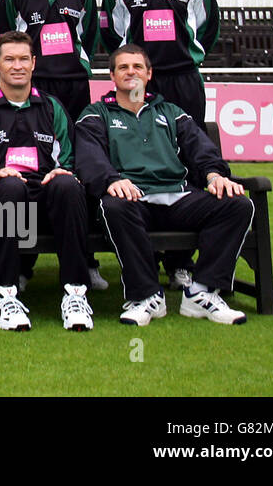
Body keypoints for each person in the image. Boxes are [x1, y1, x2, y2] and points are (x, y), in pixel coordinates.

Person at [75, 45, 253, 326]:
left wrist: (214, 175)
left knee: (237, 204)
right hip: (133, 198)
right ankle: (146, 296)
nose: (130, 72)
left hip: (178, 197)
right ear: (111, 75)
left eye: (137, 67)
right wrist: (112, 180)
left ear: (149, 73)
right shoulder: (96, 114)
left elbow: (199, 148)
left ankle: (201, 292)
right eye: (123, 67)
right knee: (114, 207)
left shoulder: (171, 112)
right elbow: (89, 158)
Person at [0, 0, 108, 292]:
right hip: (33, 90)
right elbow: (6, 37)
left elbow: (90, 36)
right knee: (25, 170)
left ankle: (84, 260)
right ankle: (22, 264)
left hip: (73, 87)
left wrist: (77, 64)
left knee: (74, 170)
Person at [0, 32, 93, 331]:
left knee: (68, 185)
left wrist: (62, 171)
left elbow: (70, 158)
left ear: (34, 63)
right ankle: (5, 295)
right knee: (9, 185)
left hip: (46, 195)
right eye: (9, 59)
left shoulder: (52, 108)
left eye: (24, 59)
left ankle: (76, 294)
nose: (17, 66)